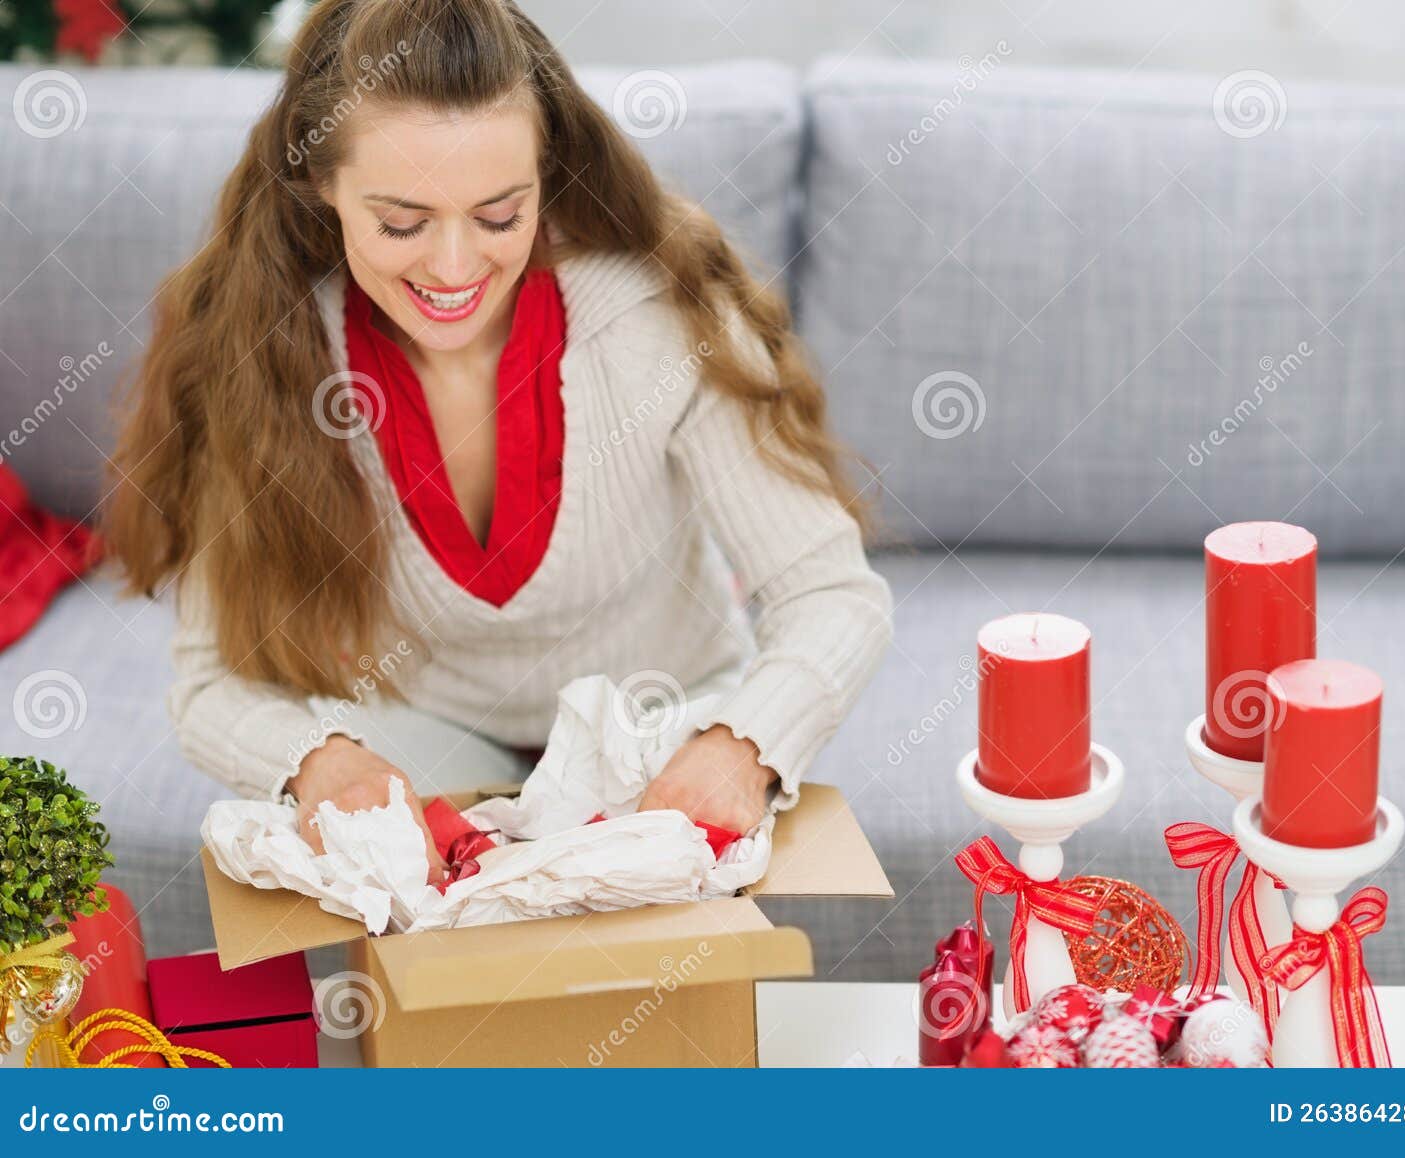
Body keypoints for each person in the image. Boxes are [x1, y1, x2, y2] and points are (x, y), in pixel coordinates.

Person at [104, 0, 890, 883]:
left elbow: (834, 594)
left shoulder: (657, 313)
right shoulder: (265, 349)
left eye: (499, 215)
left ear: (546, 176)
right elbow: (207, 685)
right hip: (429, 739)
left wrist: (741, 748)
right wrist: (318, 763)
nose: (451, 270)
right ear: (321, 183)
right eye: (401, 223)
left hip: (665, 722)